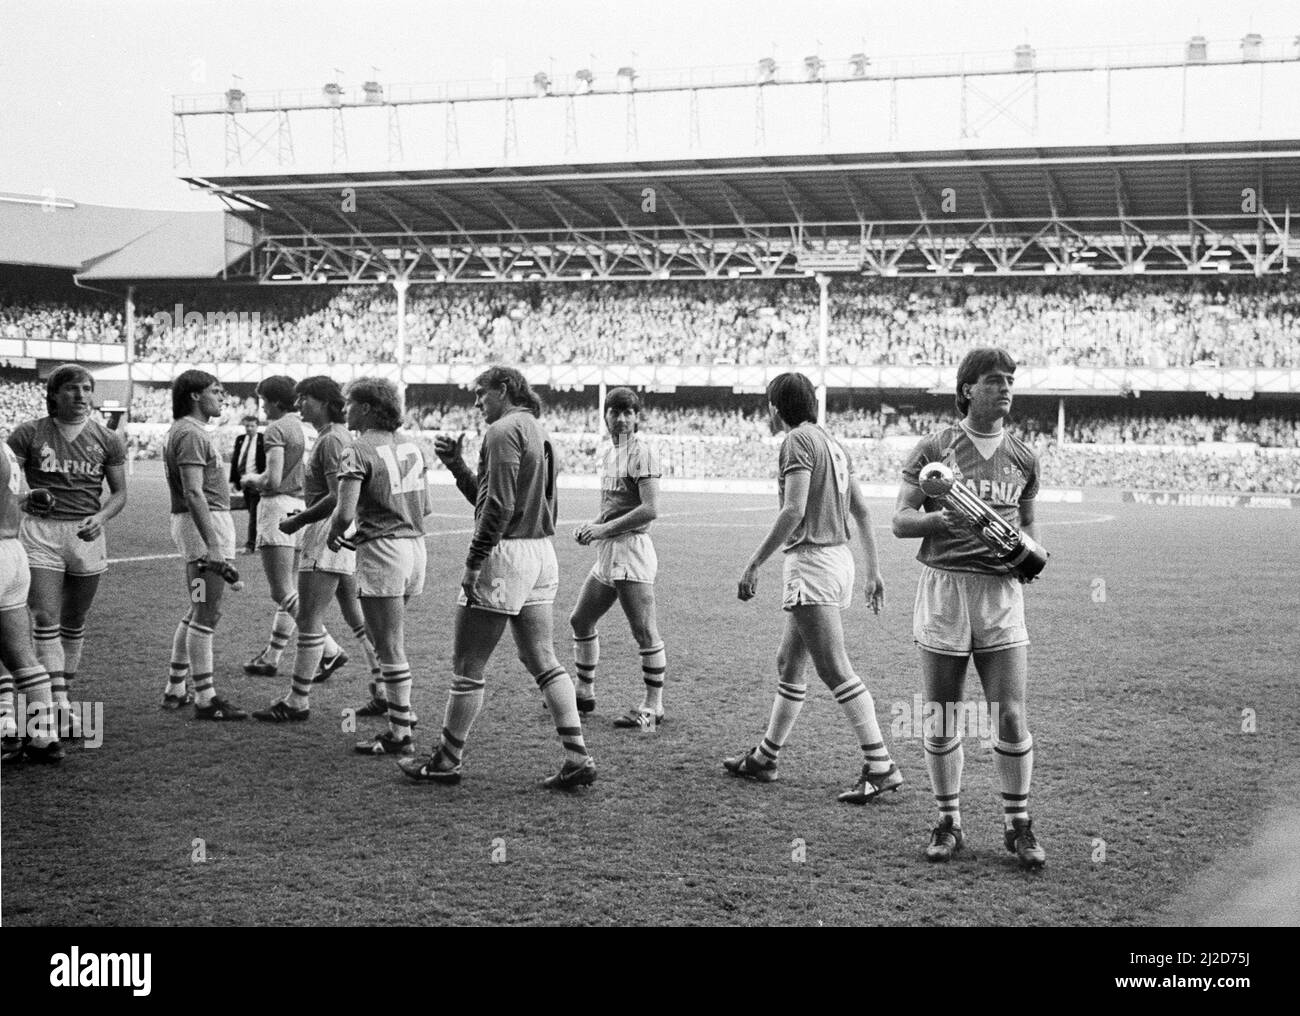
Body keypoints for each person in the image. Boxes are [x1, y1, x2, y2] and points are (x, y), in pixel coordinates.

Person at [399, 365, 596, 790]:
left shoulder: (503, 431)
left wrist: (474, 560)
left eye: (479, 394)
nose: (476, 403)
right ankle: (578, 755)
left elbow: (499, 507)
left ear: (503, 389)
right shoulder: (539, 431)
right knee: (541, 657)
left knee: (468, 664)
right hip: (542, 553)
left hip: (507, 554)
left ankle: (447, 759)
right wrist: (456, 466)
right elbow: (489, 499)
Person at [892, 347, 1046, 868]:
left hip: (1000, 594)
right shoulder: (935, 446)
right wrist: (942, 521)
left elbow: (1028, 521)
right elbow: (899, 520)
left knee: (1010, 713)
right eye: (993, 380)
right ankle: (947, 820)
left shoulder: (1024, 456)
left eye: (1010, 380)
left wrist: (1026, 550)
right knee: (940, 716)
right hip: (946, 589)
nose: (1005, 388)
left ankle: (1018, 825)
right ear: (967, 390)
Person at [725, 372, 901, 804]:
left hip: (812, 561)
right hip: (837, 559)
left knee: (834, 668)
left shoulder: (796, 442)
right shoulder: (833, 443)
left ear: (775, 407)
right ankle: (766, 758)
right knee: (789, 661)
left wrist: (754, 564)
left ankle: (881, 766)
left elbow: (793, 510)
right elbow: (861, 510)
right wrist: (873, 571)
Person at [7, 364, 128, 739]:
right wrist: (28, 497)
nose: (81, 396)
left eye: (87, 389)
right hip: (41, 533)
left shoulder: (108, 439)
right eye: (72, 389)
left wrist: (102, 517)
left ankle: (61, 700)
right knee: (46, 617)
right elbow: (7, 484)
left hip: (86, 534)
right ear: (54, 395)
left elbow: (120, 494)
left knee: (74, 622)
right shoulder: (29, 433)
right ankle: (58, 710)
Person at [253, 376, 382, 723]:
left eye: (305, 398)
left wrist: (299, 521)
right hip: (339, 531)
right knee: (357, 618)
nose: (299, 405)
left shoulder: (331, 439)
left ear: (323, 401)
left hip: (327, 531)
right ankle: (382, 688)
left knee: (309, 618)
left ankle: (297, 700)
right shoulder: (335, 437)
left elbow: (335, 495)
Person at [325, 378, 430, 756]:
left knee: (388, 643)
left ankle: (400, 731)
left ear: (367, 408)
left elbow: (345, 511)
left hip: (385, 551)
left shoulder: (357, 449)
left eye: (350, 403)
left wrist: (335, 534)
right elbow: (425, 507)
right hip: (415, 548)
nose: (345, 410)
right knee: (388, 638)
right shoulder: (411, 446)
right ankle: (402, 713)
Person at [569, 387, 668, 729]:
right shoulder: (610, 453)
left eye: (628, 412)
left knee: (644, 632)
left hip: (632, 550)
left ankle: (653, 707)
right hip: (610, 550)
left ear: (637, 417)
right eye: (616, 411)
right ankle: (583, 692)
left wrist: (603, 530)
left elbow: (650, 509)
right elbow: (612, 507)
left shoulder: (643, 454)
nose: (622, 419)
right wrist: (593, 527)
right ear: (605, 415)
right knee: (580, 620)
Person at [242, 376, 353, 679]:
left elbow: (272, 479)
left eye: (263, 400)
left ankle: (329, 650)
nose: (262, 406)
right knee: (291, 587)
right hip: (303, 503)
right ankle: (272, 656)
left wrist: (249, 479)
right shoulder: (303, 429)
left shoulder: (277, 428)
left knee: (281, 591)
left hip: (279, 506)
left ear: (275, 401)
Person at [159, 370, 247, 720]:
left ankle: (176, 687)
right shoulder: (191, 433)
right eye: (215, 390)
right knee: (207, 611)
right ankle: (206, 697)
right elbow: (194, 491)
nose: (222, 397)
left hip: (202, 523)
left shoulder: (184, 431)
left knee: (198, 607)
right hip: (203, 528)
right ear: (195, 396)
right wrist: (213, 544)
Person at [0, 441, 64, 763]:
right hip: (12, 553)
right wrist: (28, 497)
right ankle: (43, 737)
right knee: (18, 653)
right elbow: (12, 497)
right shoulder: (5, 447)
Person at [230, 415, 264, 553]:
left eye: (252, 426)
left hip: (256, 482)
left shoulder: (263, 439)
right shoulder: (240, 440)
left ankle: (250, 545)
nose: (249, 429)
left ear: (257, 426)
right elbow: (235, 460)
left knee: (254, 515)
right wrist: (233, 480)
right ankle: (260, 539)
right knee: (253, 513)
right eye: (247, 426)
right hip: (244, 483)